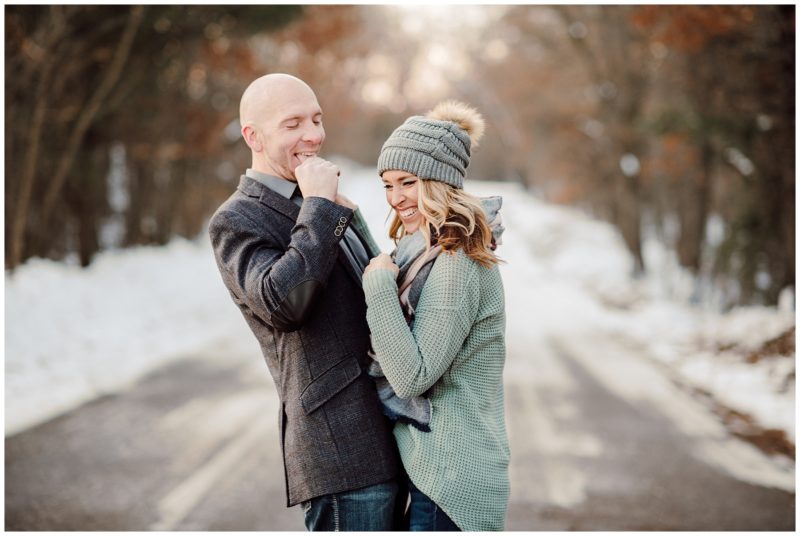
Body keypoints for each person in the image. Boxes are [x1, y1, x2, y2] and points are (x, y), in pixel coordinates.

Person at [208, 73, 403, 531]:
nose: (313, 135)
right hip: (340, 451)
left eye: (316, 119)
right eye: (293, 123)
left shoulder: (320, 202)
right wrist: (319, 207)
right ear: (252, 136)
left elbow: (379, 293)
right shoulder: (237, 219)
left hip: (387, 436)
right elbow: (285, 304)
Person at [362, 101, 511, 531]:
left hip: (451, 482)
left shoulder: (454, 261)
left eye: (407, 182)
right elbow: (392, 267)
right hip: (438, 473)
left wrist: (379, 290)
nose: (396, 198)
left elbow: (412, 377)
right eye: (387, 185)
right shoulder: (427, 250)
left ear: (439, 181)